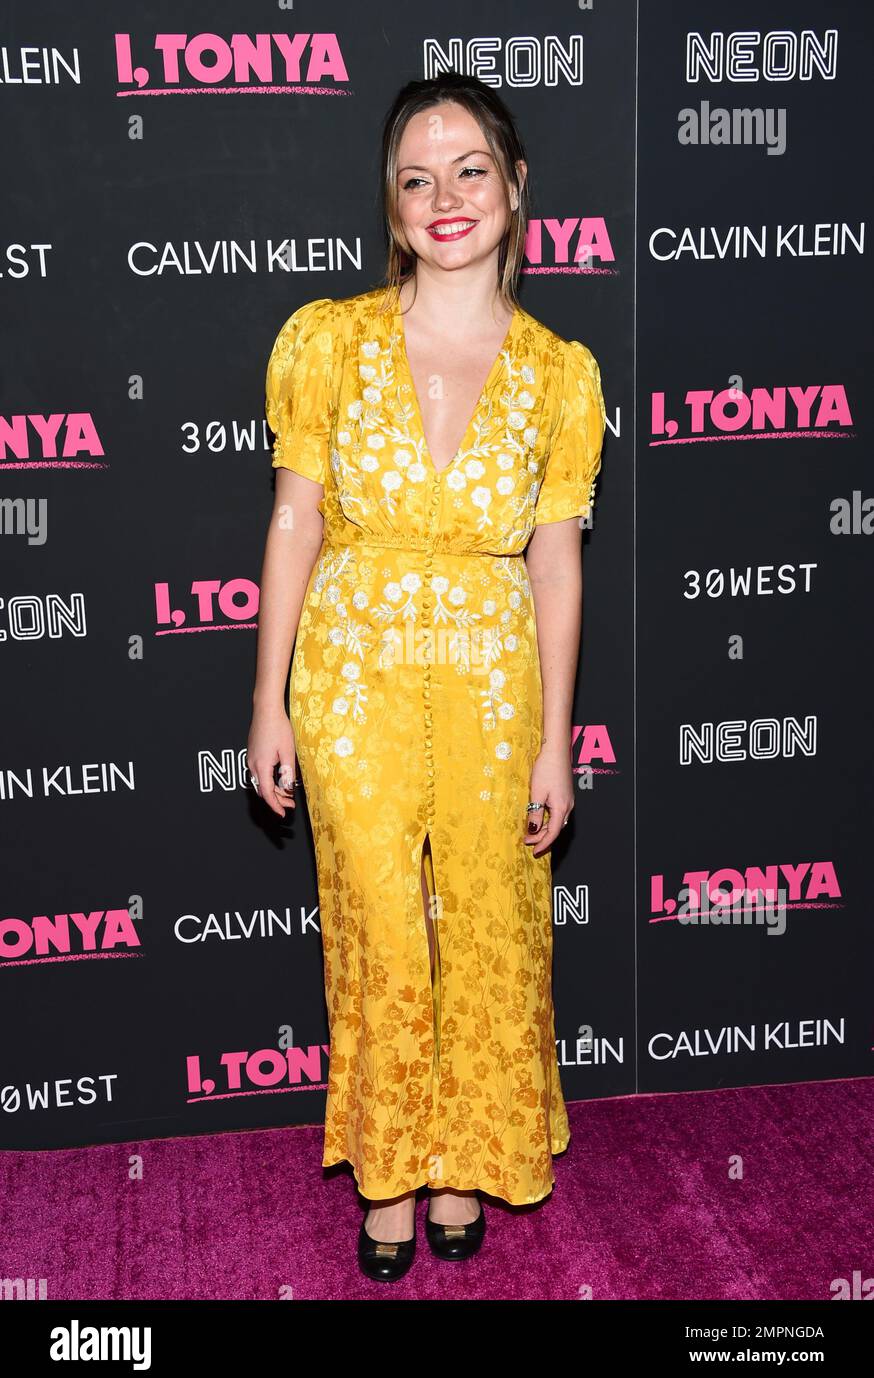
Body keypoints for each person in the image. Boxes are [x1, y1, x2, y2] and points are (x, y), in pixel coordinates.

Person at [247, 71, 606, 1282]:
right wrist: (265, 701)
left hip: (497, 684)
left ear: (515, 191)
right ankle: (393, 1173)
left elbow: (557, 561)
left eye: (468, 170)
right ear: (391, 206)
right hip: (350, 679)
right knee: (379, 932)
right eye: (416, 176)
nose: (444, 195)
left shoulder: (562, 373)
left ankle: (466, 1163)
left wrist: (558, 736)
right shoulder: (327, 342)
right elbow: (295, 524)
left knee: (494, 925)